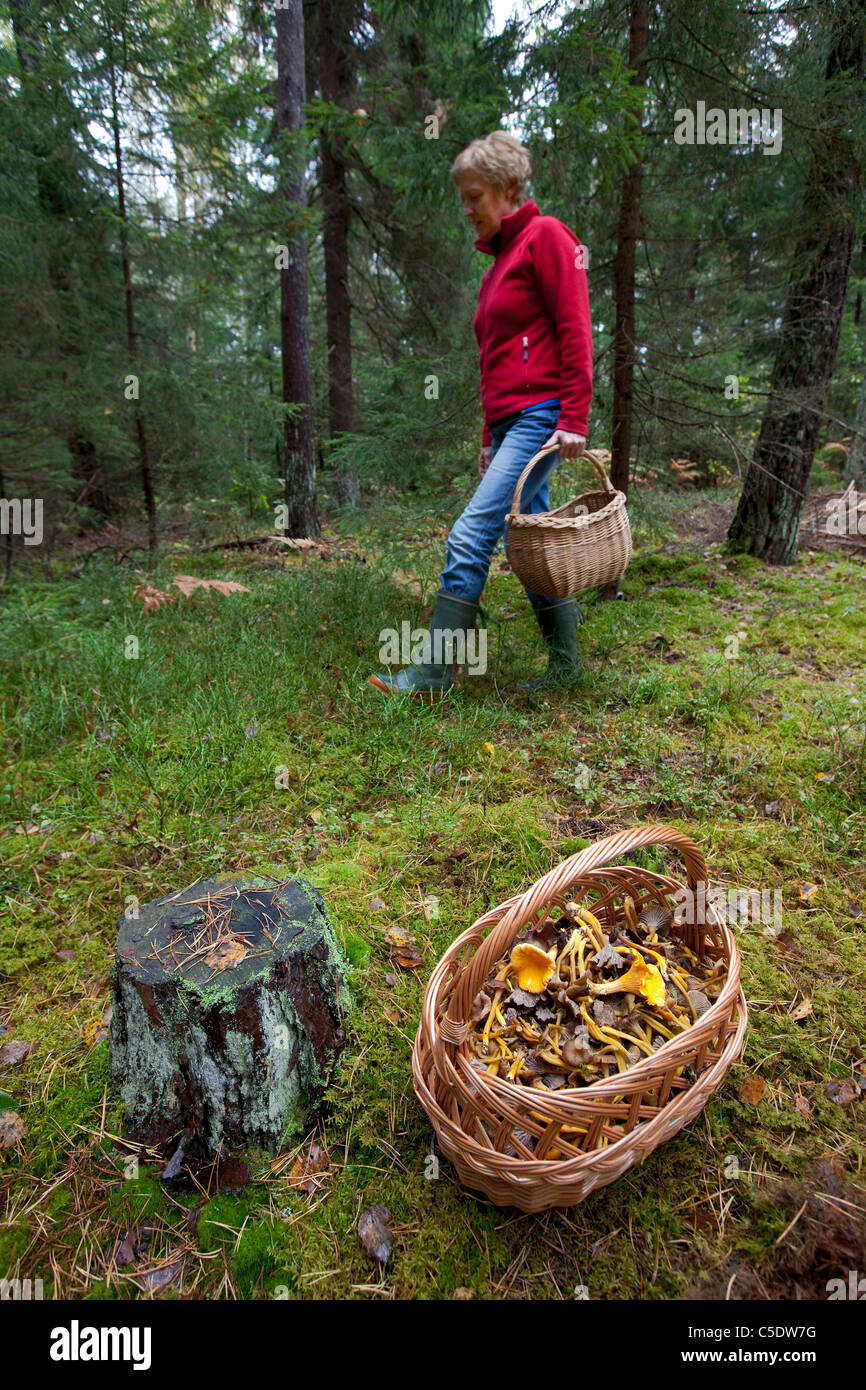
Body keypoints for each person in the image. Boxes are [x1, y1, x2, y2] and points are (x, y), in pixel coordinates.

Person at [369, 130, 593, 696]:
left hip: (543, 416)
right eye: (463, 199)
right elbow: (495, 361)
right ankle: (566, 667)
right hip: (510, 423)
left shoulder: (546, 237)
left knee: (471, 536)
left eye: (474, 198)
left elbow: (575, 330)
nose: (466, 210)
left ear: (507, 187)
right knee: (528, 543)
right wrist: (489, 437)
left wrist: (575, 417)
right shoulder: (497, 266)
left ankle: (434, 673)